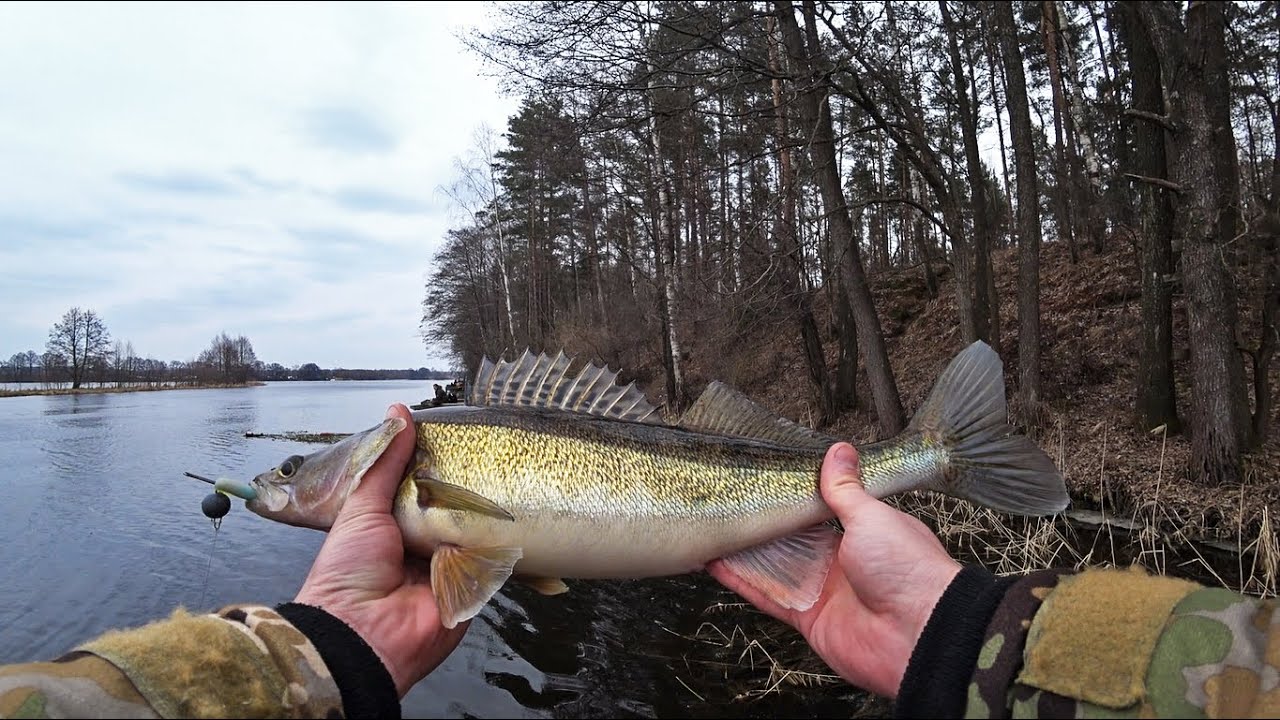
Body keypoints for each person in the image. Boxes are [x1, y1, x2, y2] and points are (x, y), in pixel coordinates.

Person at [1, 405, 1275, 718]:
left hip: (803, 524)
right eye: (277, 487)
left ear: (359, 474)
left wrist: (332, 646)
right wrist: (961, 636)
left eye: (293, 483)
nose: (281, 497)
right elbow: (480, 554)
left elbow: (476, 551)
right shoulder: (432, 500)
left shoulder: (428, 470)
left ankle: (929, 452)